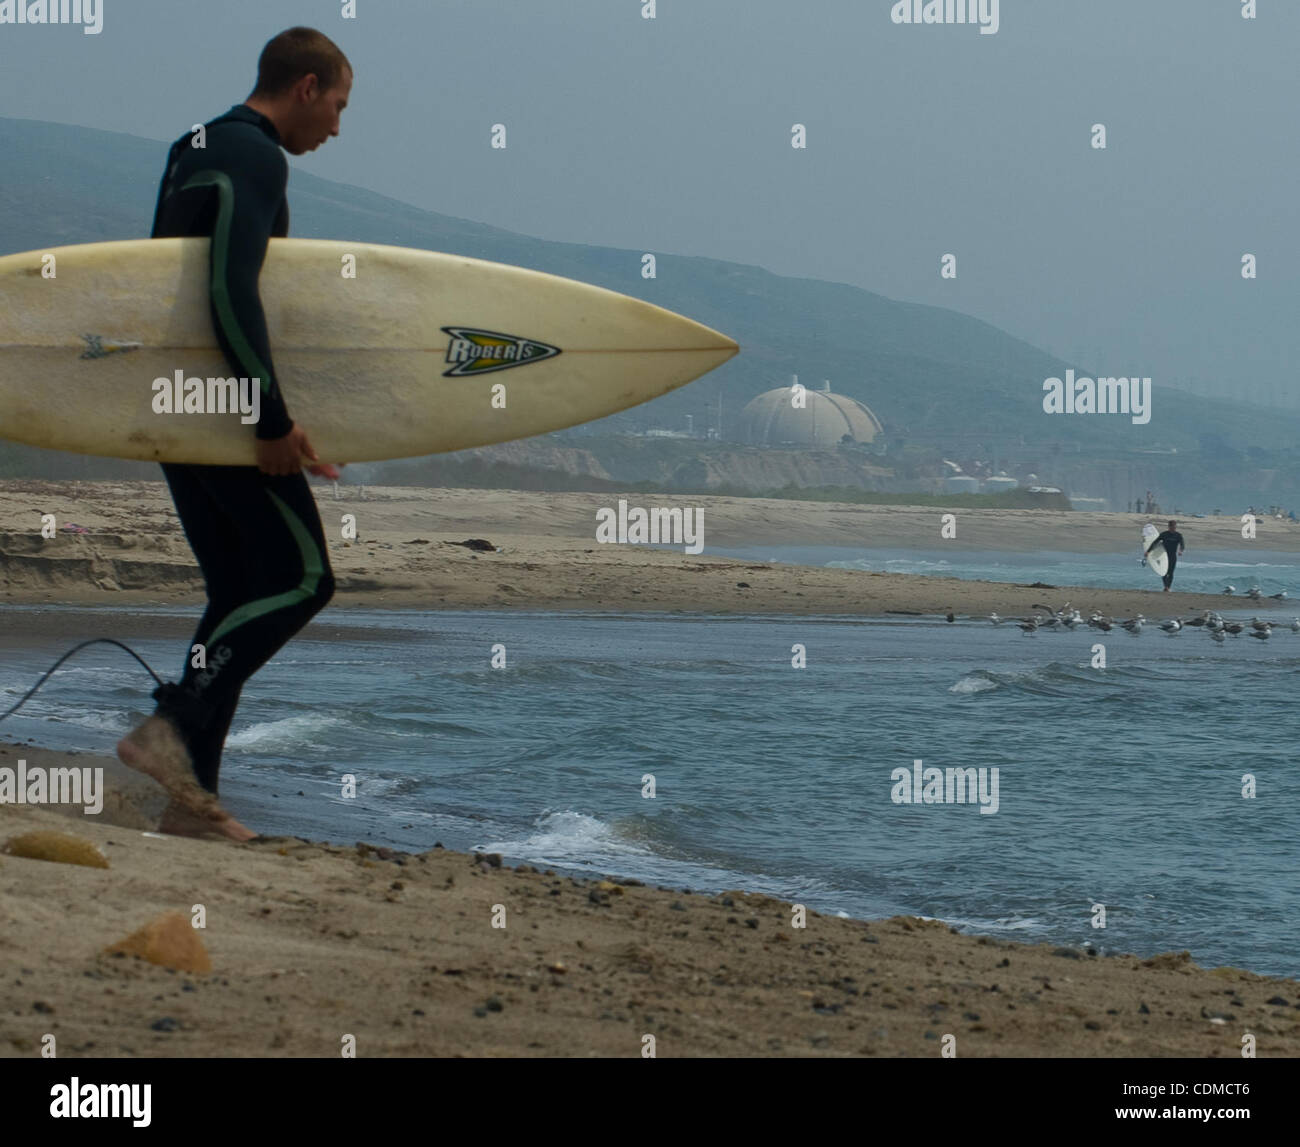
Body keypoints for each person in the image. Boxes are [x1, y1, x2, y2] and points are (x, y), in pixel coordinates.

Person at [116, 27, 352, 840]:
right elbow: (228, 290)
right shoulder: (257, 155)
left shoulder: (196, 142)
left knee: (235, 593)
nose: (336, 128)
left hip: (176, 404)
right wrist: (271, 423)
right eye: (339, 107)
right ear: (308, 86)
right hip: (223, 413)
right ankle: (170, 727)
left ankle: (192, 806)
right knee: (304, 578)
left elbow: (172, 289)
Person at [1145, 519, 1186, 593]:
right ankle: (1166, 587)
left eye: (1174, 527)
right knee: (1163, 571)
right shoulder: (1164, 534)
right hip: (1163, 556)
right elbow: (1155, 543)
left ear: (1175, 527)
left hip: (1172, 556)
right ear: (1169, 527)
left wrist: (1180, 551)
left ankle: (1168, 587)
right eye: (1171, 527)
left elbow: (1182, 545)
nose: (1173, 528)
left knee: (1170, 573)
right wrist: (1148, 551)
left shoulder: (1178, 535)